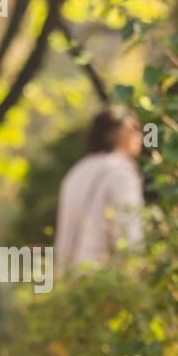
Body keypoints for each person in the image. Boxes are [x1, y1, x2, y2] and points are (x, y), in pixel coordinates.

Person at [53, 105, 144, 275]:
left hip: (72, 282)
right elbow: (130, 232)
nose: (140, 135)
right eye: (132, 129)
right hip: (107, 283)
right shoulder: (121, 172)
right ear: (112, 135)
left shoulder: (77, 171)